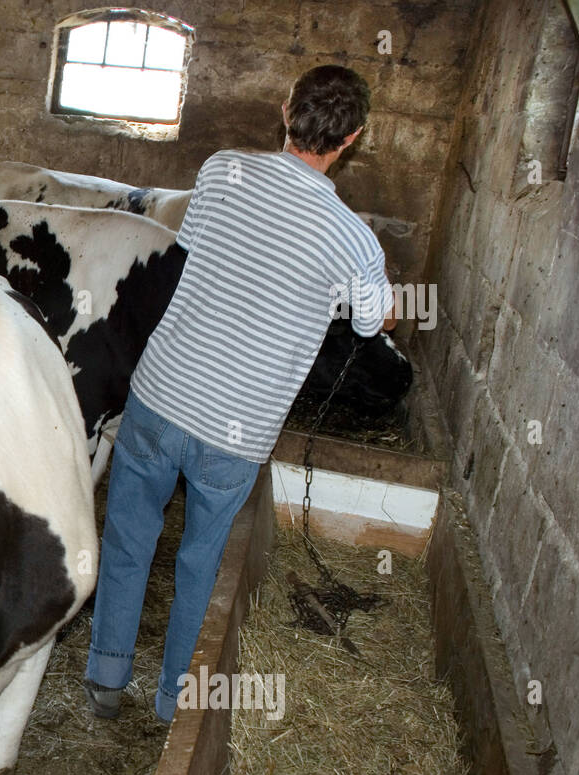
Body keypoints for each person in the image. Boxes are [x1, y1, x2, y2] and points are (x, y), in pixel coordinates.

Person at [84, 64, 397, 722]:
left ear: (287, 109)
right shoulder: (355, 239)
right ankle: (174, 706)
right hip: (236, 428)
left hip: (161, 393)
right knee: (202, 562)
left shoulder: (222, 169)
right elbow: (372, 324)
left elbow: (190, 254)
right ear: (354, 137)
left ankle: (105, 678)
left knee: (129, 536)